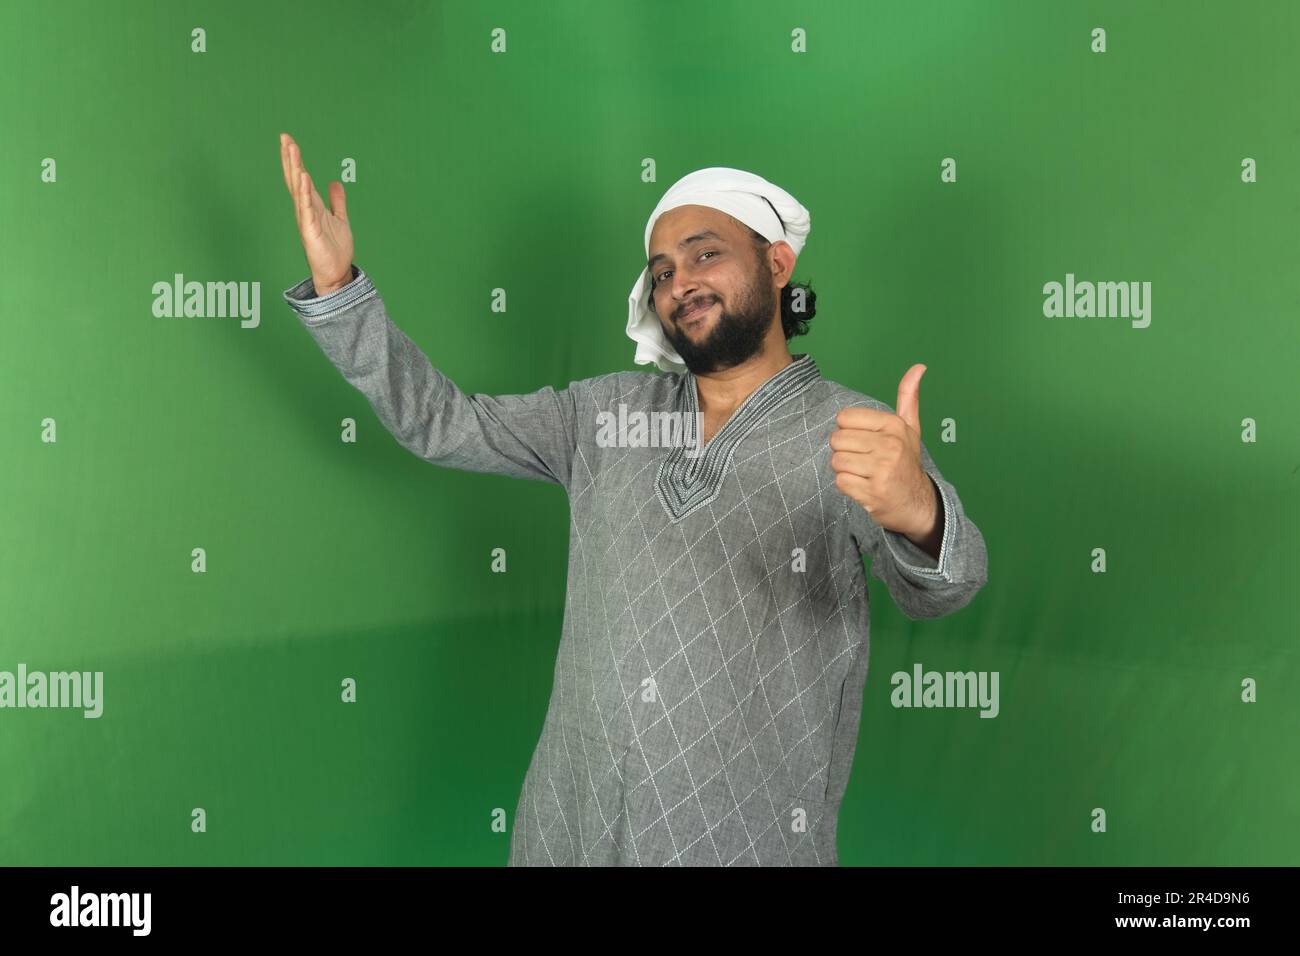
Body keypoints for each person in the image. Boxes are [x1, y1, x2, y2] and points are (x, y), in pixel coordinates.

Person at [277, 133, 988, 866]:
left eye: (706, 253)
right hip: (569, 828)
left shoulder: (855, 437)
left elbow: (947, 588)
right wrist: (342, 295)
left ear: (778, 263)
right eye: (662, 271)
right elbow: (441, 423)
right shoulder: (602, 415)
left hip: (741, 841)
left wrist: (920, 512)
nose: (680, 281)